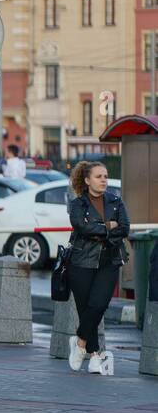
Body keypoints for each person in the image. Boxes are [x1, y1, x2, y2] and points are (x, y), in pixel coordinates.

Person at [65, 161, 129, 375]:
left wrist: (99, 230)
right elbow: (81, 227)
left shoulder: (116, 201)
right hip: (81, 261)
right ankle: (94, 356)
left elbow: (125, 228)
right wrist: (108, 226)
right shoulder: (78, 204)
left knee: (99, 305)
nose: (103, 180)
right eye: (98, 176)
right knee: (86, 308)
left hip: (109, 260)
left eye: (105, 176)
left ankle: (80, 344)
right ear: (87, 180)